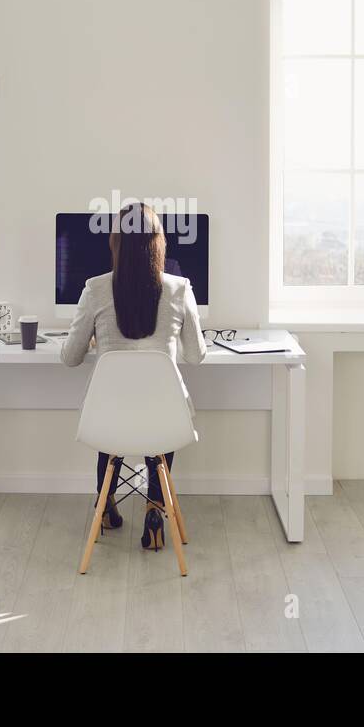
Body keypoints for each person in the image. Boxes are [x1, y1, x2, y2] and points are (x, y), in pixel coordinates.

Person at [60, 203, 206, 550]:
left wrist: (98, 340)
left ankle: (106, 504)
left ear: (116, 245)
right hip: (164, 421)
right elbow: (197, 356)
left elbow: (70, 358)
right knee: (158, 424)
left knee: (114, 424)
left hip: (109, 420)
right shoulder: (179, 289)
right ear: (159, 244)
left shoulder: (95, 289)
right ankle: (155, 508)